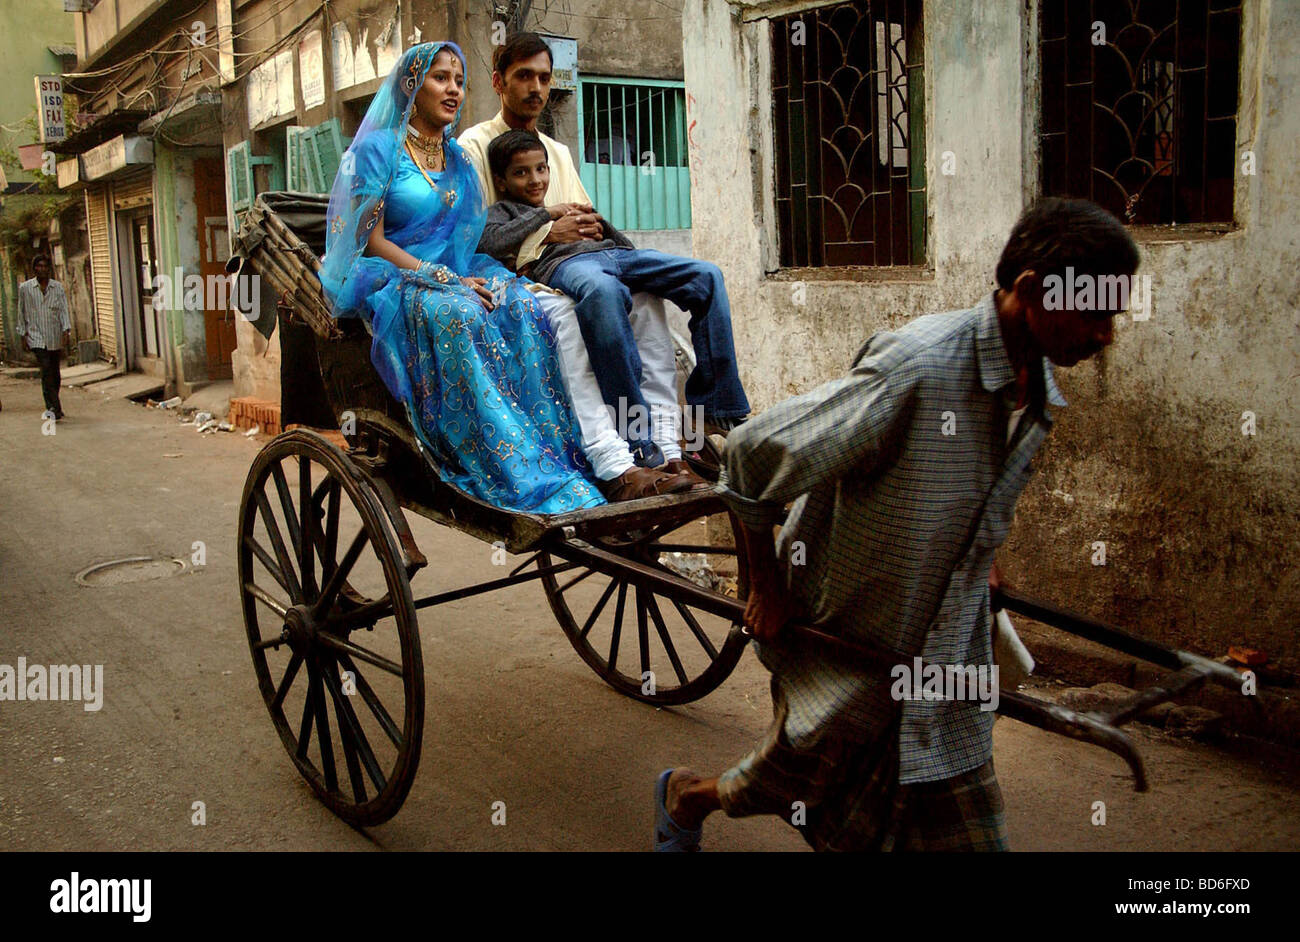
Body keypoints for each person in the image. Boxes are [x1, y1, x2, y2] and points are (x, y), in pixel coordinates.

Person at [654, 198, 1141, 852]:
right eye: (1094, 313)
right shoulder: (919, 366)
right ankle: (690, 795)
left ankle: (693, 795)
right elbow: (748, 457)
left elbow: (974, 487)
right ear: (1029, 292)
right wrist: (765, 586)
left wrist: (980, 554)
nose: (1106, 334)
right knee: (802, 782)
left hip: (944, 658)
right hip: (855, 636)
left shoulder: (1038, 386)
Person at [318, 41, 604, 514]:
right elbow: (372, 241)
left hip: (458, 269)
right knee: (459, 313)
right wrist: (441, 279)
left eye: (458, 80)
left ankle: (558, 456)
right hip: (395, 276)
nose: (452, 89)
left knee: (524, 305)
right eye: (440, 78)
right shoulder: (378, 150)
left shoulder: (457, 160)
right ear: (413, 84)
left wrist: (467, 274)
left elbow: (468, 239)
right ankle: (508, 465)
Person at [457, 32, 751, 450]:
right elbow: (476, 237)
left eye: (544, 78)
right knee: (604, 293)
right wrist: (546, 229)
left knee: (701, 279)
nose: (536, 88)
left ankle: (716, 410)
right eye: (524, 76)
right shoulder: (473, 147)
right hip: (534, 274)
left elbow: (586, 215)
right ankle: (635, 440)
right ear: (498, 81)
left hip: (596, 256)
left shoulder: (556, 151)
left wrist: (617, 245)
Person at [478, 129, 710, 491]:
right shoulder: (503, 211)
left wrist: (599, 229)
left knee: (649, 307)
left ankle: (669, 452)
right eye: (522, 173)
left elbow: (624, 249)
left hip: (600, 272)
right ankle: (615, 463)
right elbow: (490, 242)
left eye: (541, 170)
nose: (536, 179)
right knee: (573, 325)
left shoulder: (571, 203)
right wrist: (547, 219)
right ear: (502, 181)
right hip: (539, 283)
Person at [17, 255, 71, 421]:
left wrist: (66, 330)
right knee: (46, 369)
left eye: (45, 266)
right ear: (34, 269)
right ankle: (54, 406)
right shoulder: (26, 288)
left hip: (53, 334)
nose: (42, 269)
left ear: (49, 268)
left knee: (54, 372)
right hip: (35, 335)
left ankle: (53, 403)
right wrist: (22, 334)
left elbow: (63, 310)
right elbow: (21, 311)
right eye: (39, 266)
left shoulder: (57, 288)